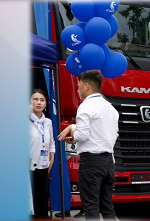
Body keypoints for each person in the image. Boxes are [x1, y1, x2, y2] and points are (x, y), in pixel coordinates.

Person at [57, 70, 119, 220]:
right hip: (108, 161)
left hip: (91, 162)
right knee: (107, 207)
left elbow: (83, 134)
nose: (77, 90)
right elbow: (111, 133)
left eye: (78, 86)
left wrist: (74, 137)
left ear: (86, 86)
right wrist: (73, 129)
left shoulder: (85, 106)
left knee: (91, 207)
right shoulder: (111, 108)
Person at [29, 89, 55, 219]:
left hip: (44, 164)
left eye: (42, 100)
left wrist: (51, 159)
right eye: (35, 99)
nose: (38, 102)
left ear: (46, 104)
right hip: (28, 166)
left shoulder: (48, 122)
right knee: (30, 200)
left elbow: (51, 143)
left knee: (42, 198)